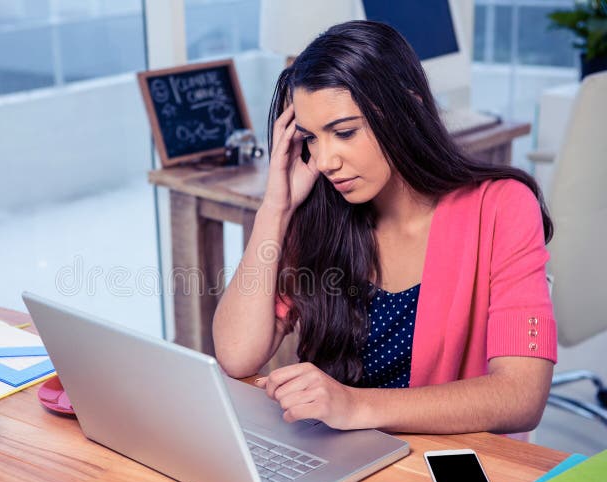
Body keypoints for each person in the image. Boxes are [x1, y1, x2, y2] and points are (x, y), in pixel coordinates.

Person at [212, 20, 556, 435]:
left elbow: (521, 395)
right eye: (312, 139)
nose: (324, 161)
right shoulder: (321, 212)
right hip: (334, 459)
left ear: (407, 109)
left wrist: (354, 406)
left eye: (343, 132)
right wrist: (275, 208)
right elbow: (235, 354)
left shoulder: (501, 206)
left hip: (434, 468)